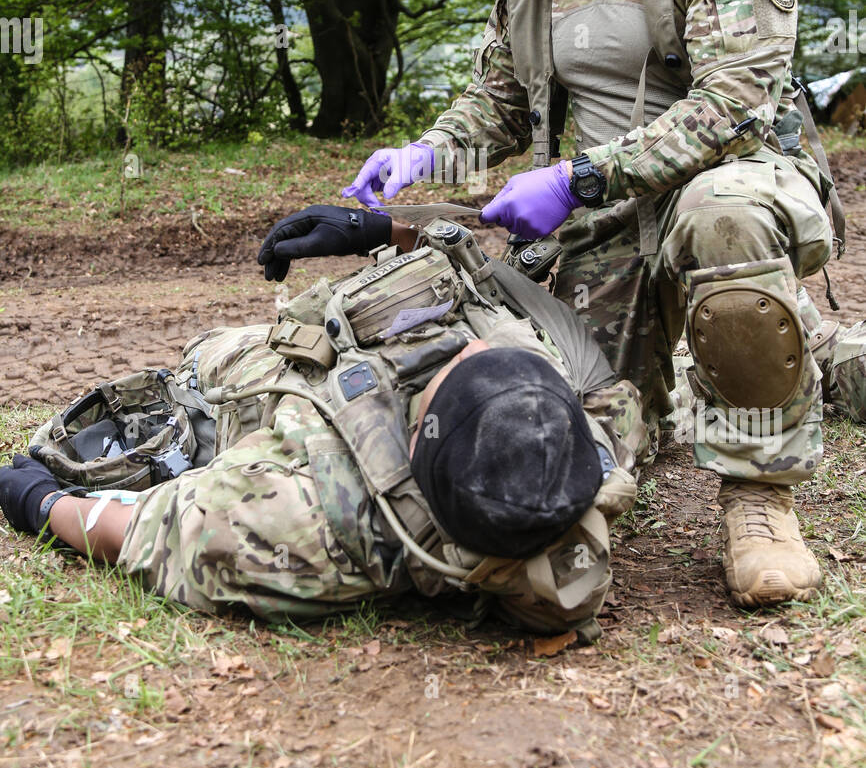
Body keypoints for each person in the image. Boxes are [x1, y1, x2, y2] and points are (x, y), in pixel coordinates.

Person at [343, 0, 850, 608]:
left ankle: (760, 502)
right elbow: (495, 103)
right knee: (574, 406)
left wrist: (577, 178)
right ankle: (797, 364)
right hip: (605, 219)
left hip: (733, 184)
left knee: (720, 219)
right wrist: (426, 155)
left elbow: (731, 103)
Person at [0, 206, 648, 641]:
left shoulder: (310, 517)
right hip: (373, 356)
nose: (466, 345)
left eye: (454, 370)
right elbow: (486, 277)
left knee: (208, 361)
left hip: (261, 382)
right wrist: (380, 228)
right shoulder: (596, 418)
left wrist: (39, 501)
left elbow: (151, 533)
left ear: (419, 431)